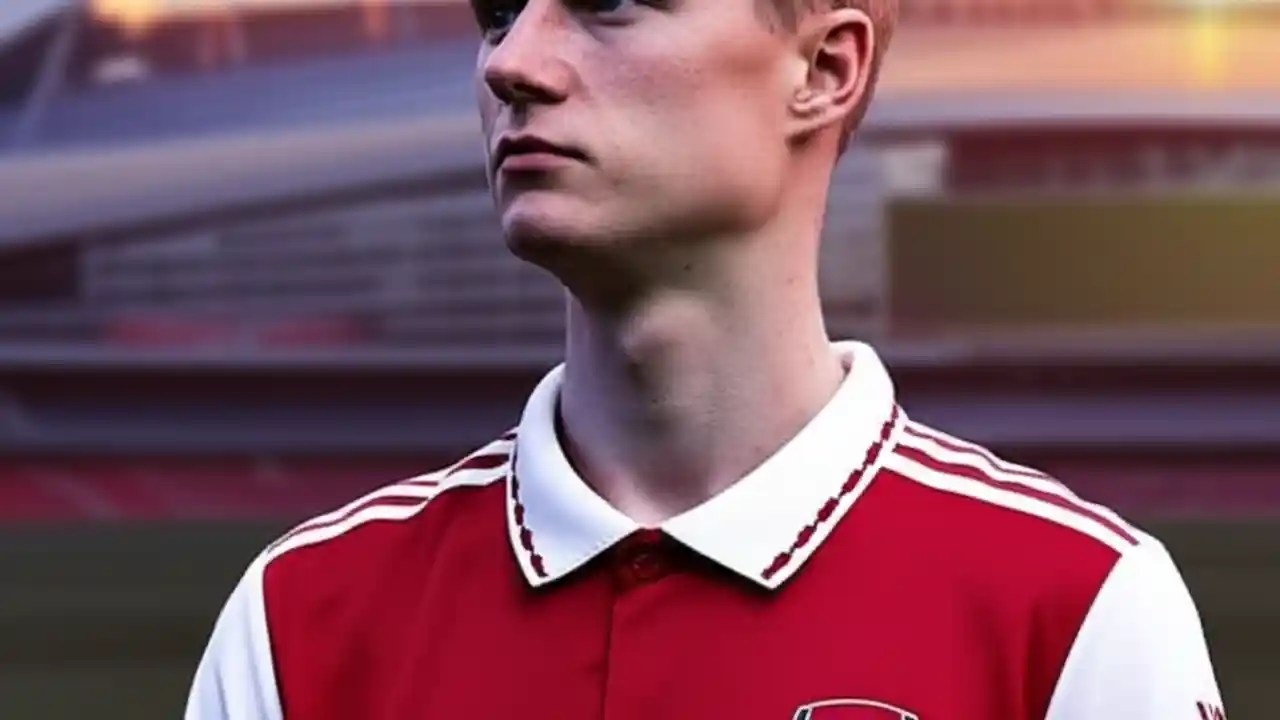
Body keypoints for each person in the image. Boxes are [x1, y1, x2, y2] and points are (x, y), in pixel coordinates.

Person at [186, 0, 1225, 718]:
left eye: (610, 2)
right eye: (498, 9)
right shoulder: (299, 619)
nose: (511, 60)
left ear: (823, 68)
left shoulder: (1075, 608)